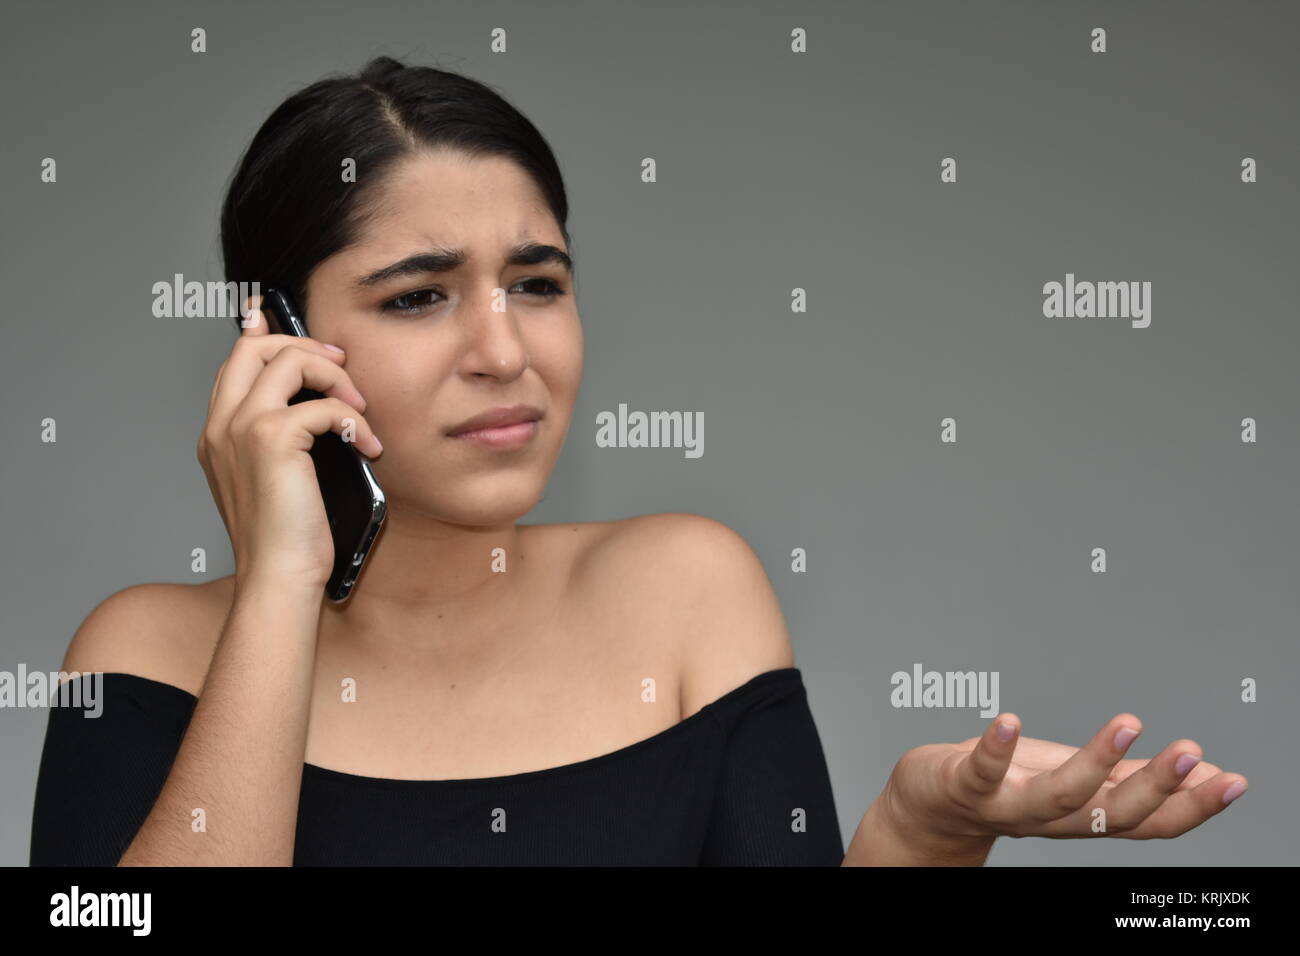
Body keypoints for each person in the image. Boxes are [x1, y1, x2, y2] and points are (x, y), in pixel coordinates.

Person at [30, 56, 1248, 867]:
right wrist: (283, 586)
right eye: (419, 297)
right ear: (278, 343)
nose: (503, 349)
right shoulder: (140, 655)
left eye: (537, 284)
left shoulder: (685, 590)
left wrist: (918, 834)